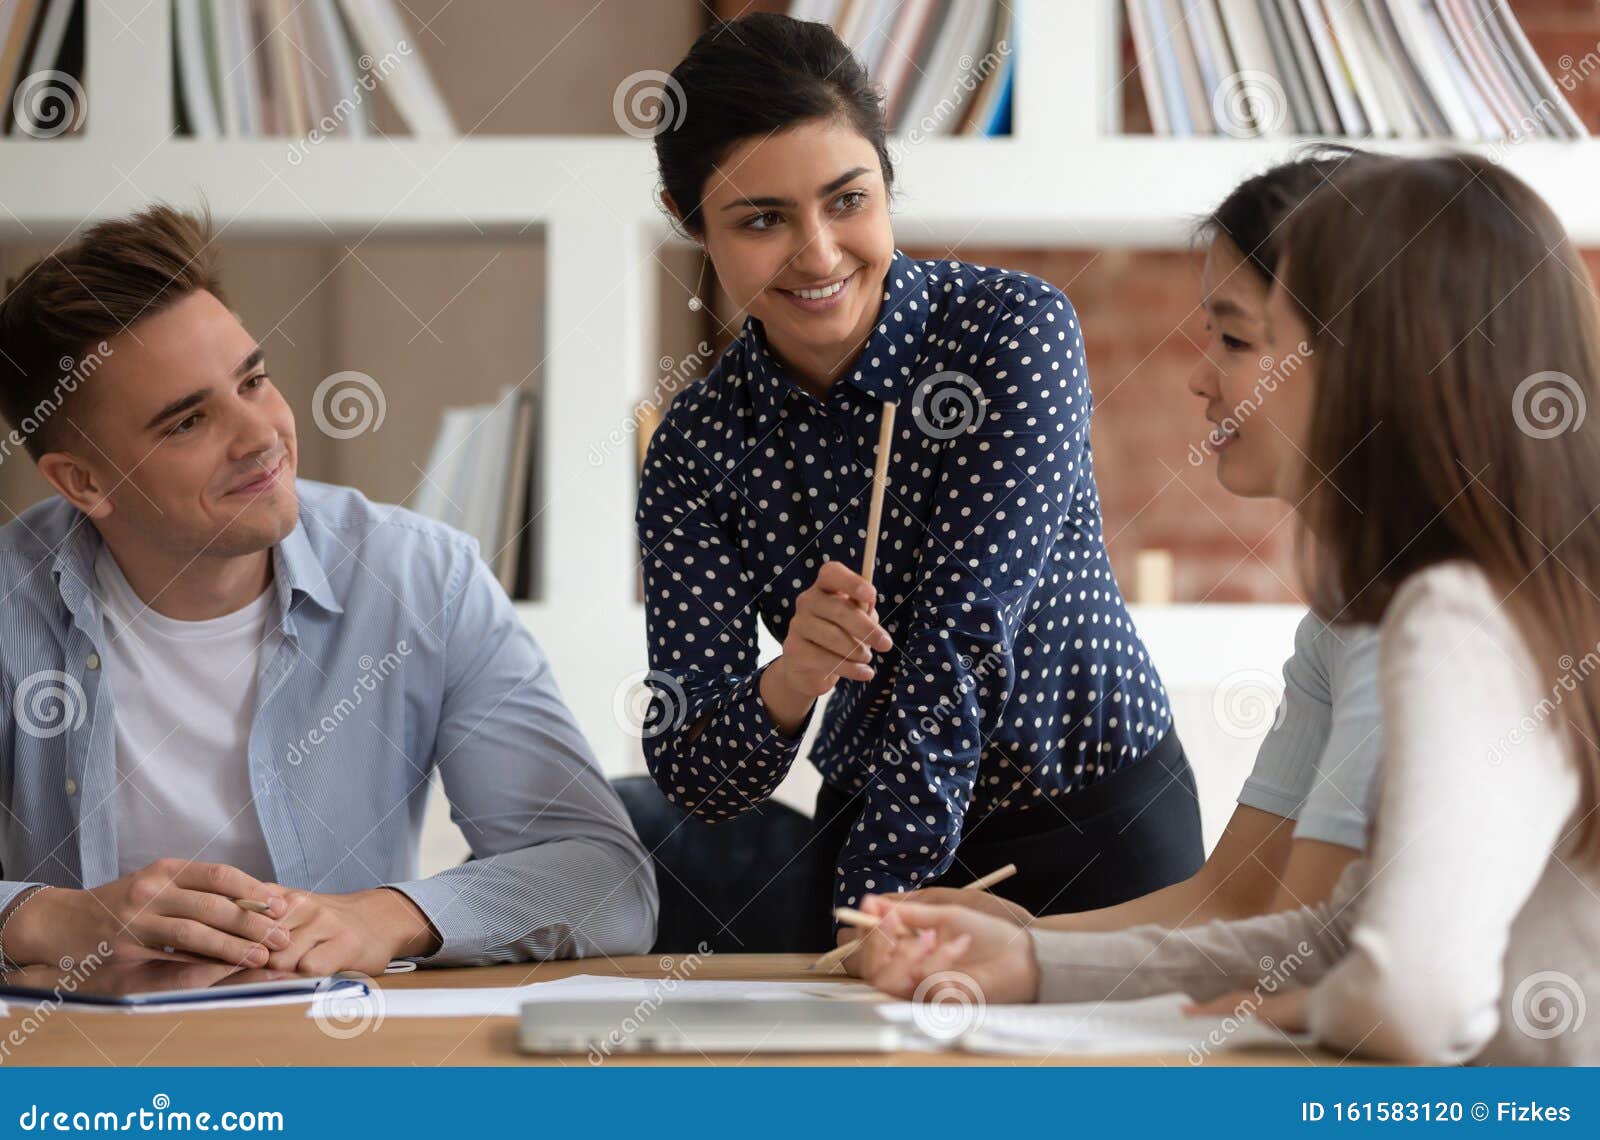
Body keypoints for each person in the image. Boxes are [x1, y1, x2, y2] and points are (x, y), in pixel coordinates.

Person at [855, 153, 1600, 1065]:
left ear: (1376, 364)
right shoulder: (1505, 597)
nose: (1205, 378)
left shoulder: (1451, 613)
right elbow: (1338, 930)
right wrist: (1033, 956)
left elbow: (1395, 990)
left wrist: (1300, 1007)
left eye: (1247, 340)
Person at [637, 12, 1203, 949]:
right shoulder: (698, 445)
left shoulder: (1011, 332)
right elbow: (697, 770)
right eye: (762, 219)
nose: (818, 254)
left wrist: (876, 909)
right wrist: (792, 677)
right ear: (688, 219)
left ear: (887, 180)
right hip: (871, 833)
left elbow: (960, 640)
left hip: (1099, 833)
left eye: (847, 200)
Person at [0, 205, 658, 975]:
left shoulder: (423, 580)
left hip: (337, 1060)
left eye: (254, 379)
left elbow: (608, 880)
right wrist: (47, 918)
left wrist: (392, 916)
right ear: (84, 482)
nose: (262, 437)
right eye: (187, 423)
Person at [874, 148, 1383, 937]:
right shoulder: (1336, 624)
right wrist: (1019, 941)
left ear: (1355, 356)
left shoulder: (1428, 618)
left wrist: (1029, 957)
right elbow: (1231, 901)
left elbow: (1308, 950)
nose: (1200, 378)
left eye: (1236, 342)